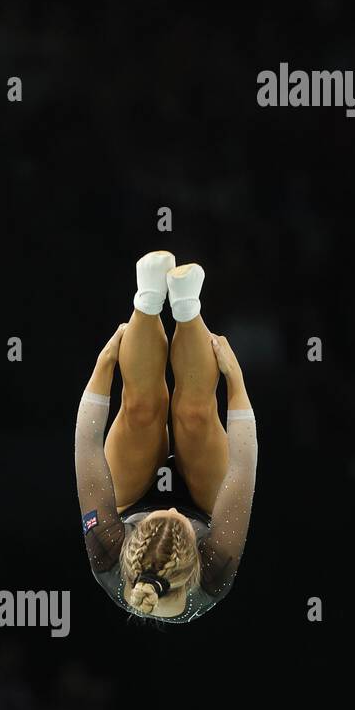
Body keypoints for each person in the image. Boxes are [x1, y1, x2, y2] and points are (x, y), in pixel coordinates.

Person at [75, 252, 257, 622]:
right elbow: (243, 468)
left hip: (130, 499)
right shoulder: (213, 575)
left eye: (163, 514)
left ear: (131, 540)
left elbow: (87, 448)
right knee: (194, 415)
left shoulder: (106, 552)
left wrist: (102, 366)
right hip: (207, 504)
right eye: (179, 519)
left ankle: (147, 299)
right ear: (194, 560)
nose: (173, 507)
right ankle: (188, 307)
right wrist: (236, 382)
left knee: (140, 410)